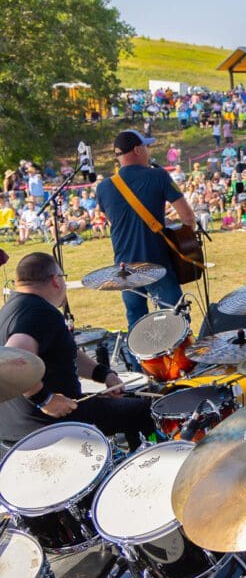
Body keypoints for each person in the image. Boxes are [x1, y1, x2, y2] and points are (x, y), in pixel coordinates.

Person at [0, 253, 154, 448]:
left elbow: (65, 351)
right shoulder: (38, 313)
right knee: (146, 411)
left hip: (12, 428)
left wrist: (103, 374)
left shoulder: (11, 309)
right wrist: (45, 399)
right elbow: (11, 362)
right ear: (55, 280)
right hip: (47, 424)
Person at [96, 130, 197, 331]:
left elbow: (115, 220)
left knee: (136, 323)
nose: (148, 152)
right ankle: (180, 362)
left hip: (124, 267)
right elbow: (188, 217)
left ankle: (139, 363)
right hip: (155, 262)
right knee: (176, 320)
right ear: (137, 150)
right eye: (146, 147)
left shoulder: (103, 187)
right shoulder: (158, 175)